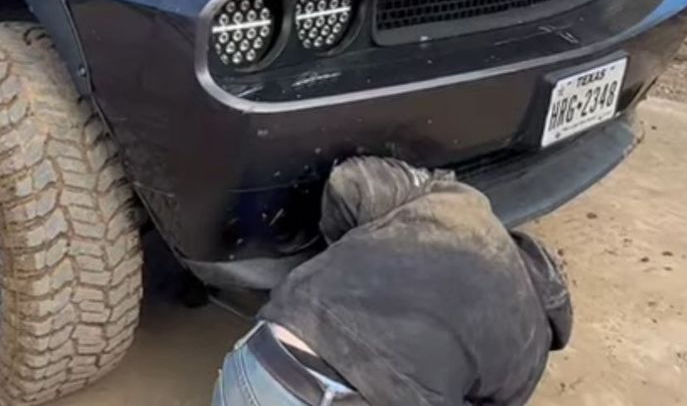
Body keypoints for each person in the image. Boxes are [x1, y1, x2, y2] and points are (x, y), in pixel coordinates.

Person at [211, 156, 573, 406]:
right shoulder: (531, 343)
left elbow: (347, 182)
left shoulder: (458, 204)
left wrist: (351, 253)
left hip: (253, 370)